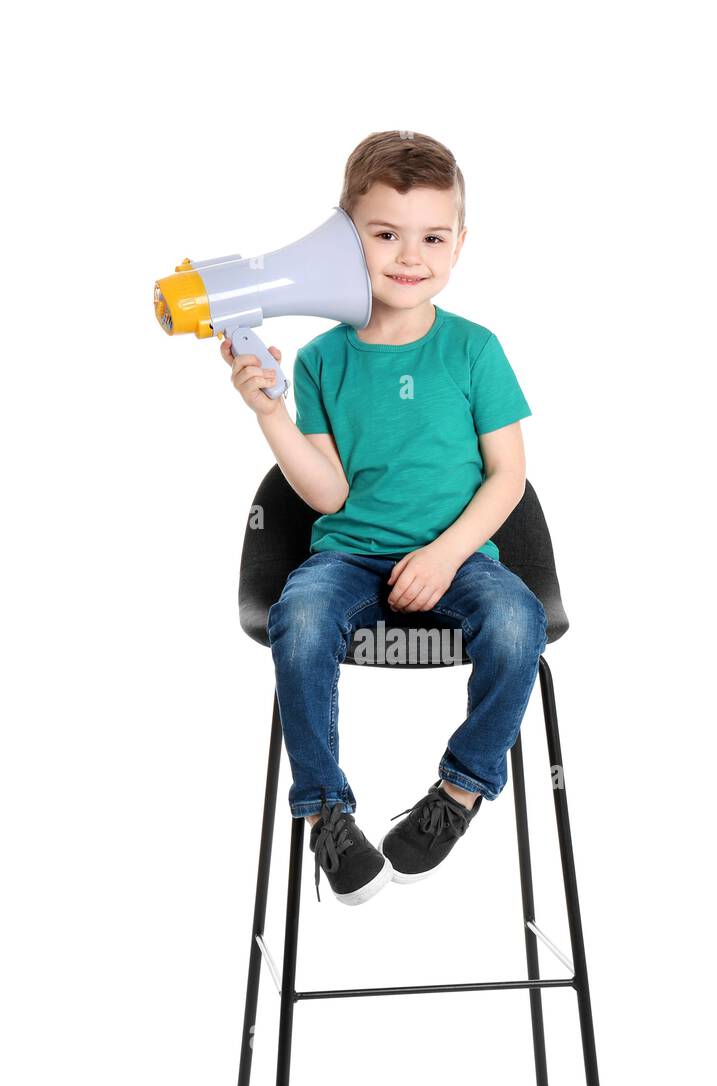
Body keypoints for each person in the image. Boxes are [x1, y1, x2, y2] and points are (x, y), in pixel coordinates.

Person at [222, 130, 547, 907]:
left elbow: (508, 478)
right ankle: (326, 814)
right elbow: (328, 495)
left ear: (459, 243)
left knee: (515, 624)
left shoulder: (474, 350)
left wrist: (443, 557)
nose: (410, 255)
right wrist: (270, 415)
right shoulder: (320, 361)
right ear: (345, 240)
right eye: (383, 234)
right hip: (348, 560)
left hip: (460, 558)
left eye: (432, 236)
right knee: (298, 623)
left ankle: (459, 792)